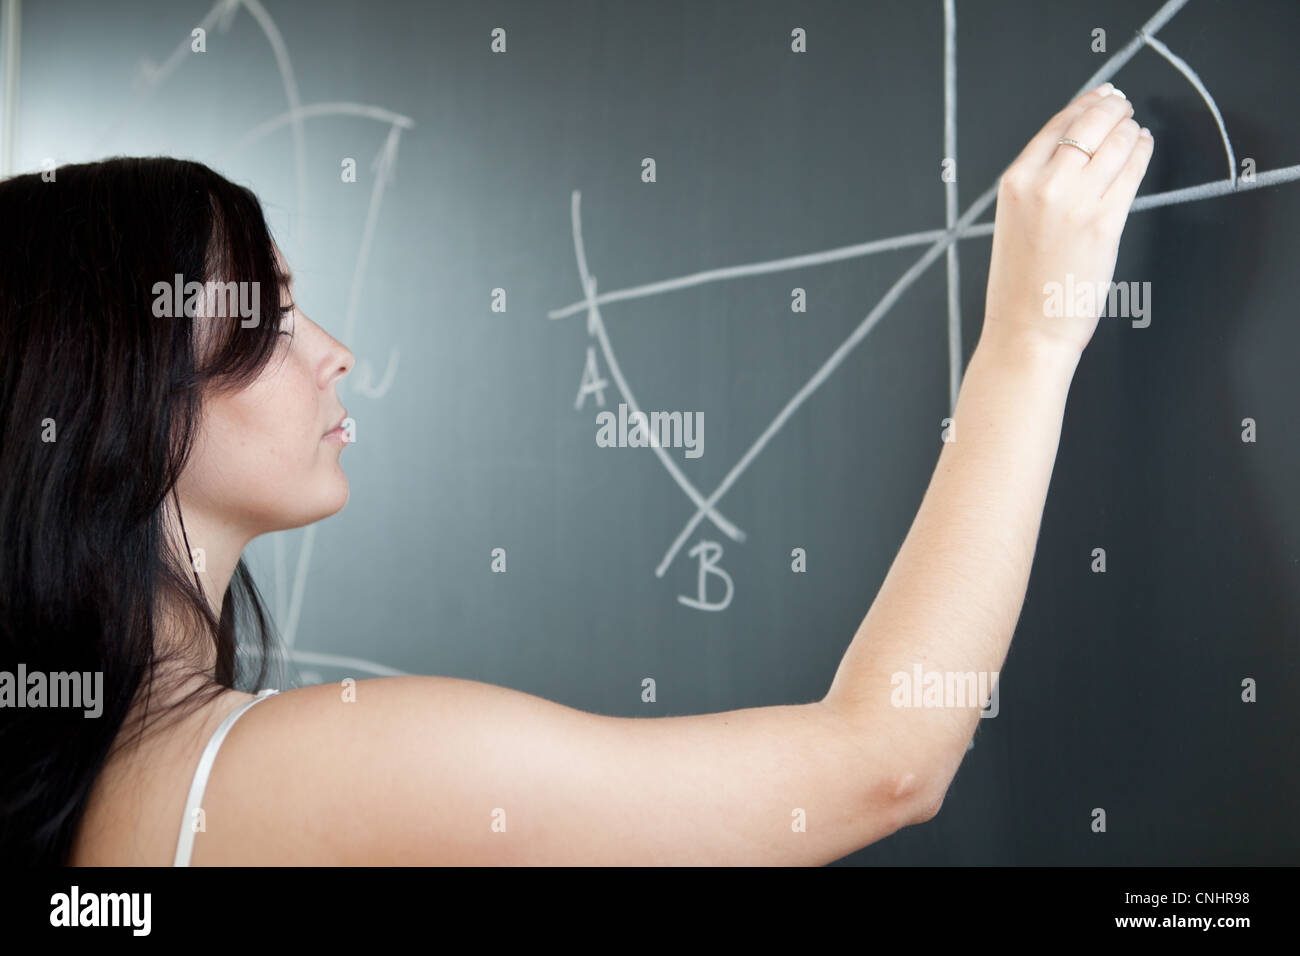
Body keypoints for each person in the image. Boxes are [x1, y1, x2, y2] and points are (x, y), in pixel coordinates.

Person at [0, 82, 1150, 866]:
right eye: (278, 313)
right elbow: (881, 766)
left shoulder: (105, 785)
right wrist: (1027, 340)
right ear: (126, 397)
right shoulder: (290, 764)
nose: (333, 351)